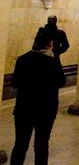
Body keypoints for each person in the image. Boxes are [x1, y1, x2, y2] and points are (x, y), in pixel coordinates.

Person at [10, 27, 66, 165]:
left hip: (24, 109)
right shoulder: (53, 62)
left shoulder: (23, 59)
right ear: (50, 43)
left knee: (20, 144)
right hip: (46, 110)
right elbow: (61, 81)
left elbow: (15, 82)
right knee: (41, 145)